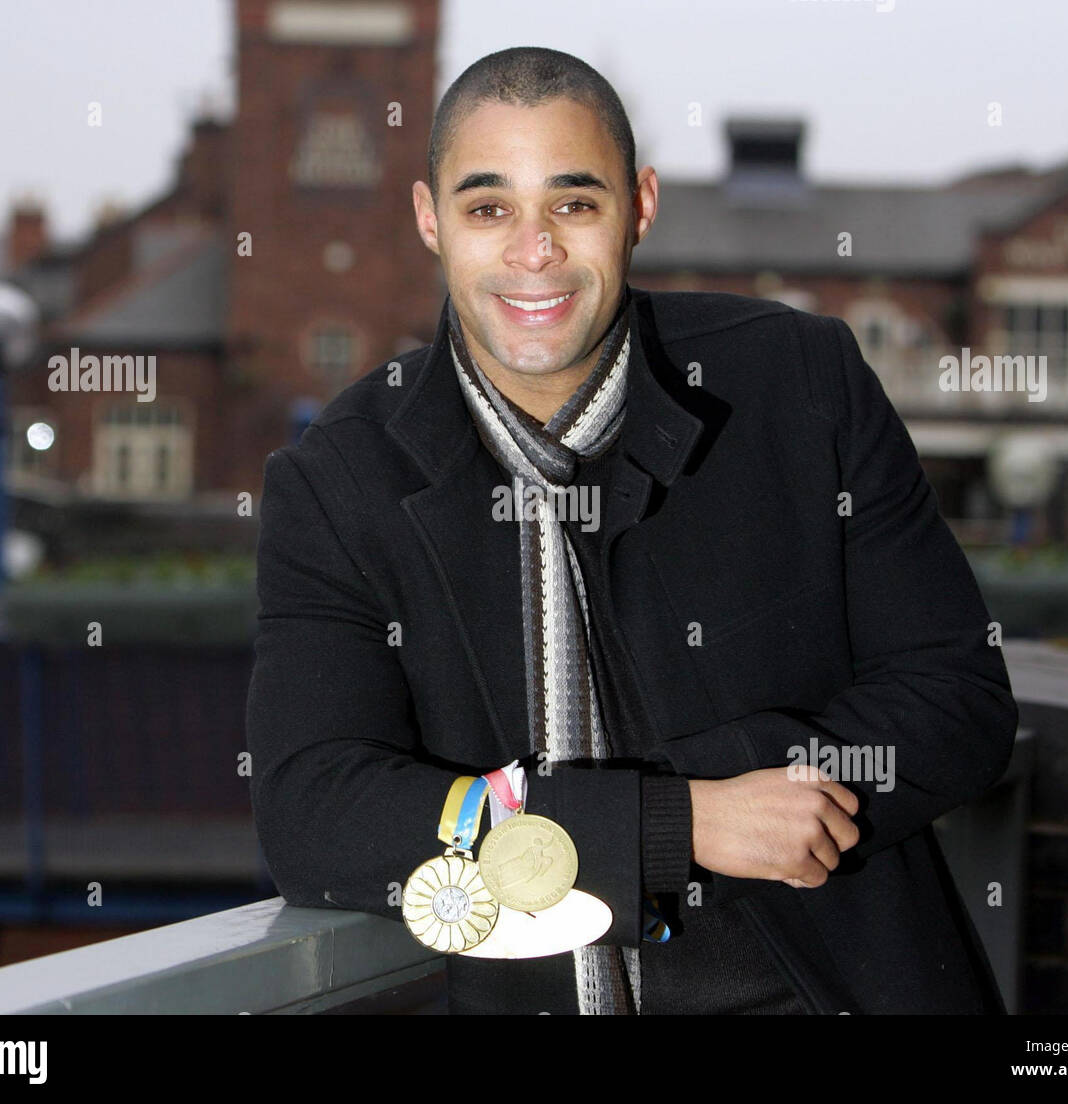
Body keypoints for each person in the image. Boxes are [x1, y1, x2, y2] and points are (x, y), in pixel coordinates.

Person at [245, 45, 1018, 1015]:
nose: (535, 252)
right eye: (489, 208)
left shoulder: (799, 383)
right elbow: (317, 812)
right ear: (429, 220)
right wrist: (675, 821)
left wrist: (726, 792)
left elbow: (957, 699)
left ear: (640, 206)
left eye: (574, 203)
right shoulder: (337, 482)